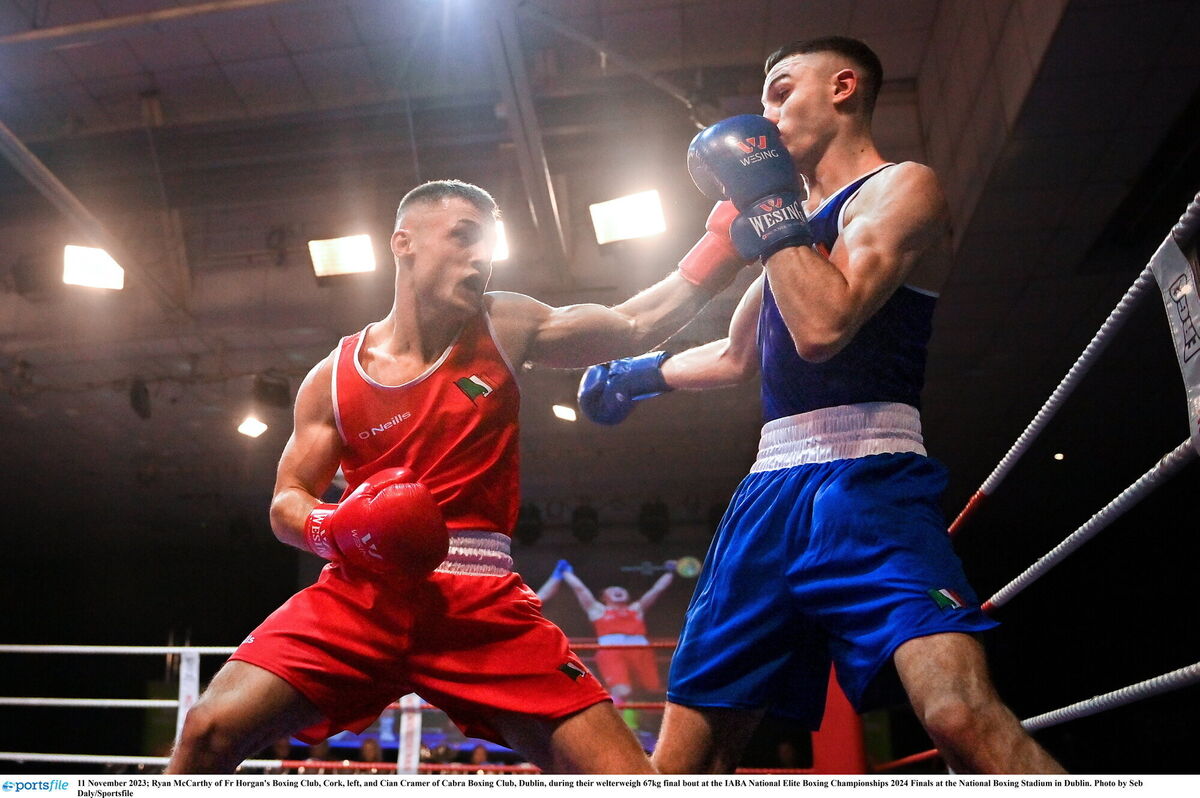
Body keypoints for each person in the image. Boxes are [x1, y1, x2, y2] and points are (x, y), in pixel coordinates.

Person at [578, 37, 1065, 774]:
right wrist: (636, 376)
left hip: (871, 484)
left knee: (961, 716)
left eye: (780, 91)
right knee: (679, 765)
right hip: (770, 493)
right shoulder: (797, 240)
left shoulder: (901, 188)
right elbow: (740, 354)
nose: (766, 117)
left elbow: (823, 326)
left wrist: (769, 205)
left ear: (842, 88)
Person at [166, 178, 740, 775]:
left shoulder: (505, 324)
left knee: (627, 782)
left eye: (488, 246)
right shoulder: (331, 378)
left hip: (480, 601)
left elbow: (632, 324)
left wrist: (724, 241)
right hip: (363, 592)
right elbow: (287, 501)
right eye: (464, 237)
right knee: (206, 733)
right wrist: (336, 527)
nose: (481, 257)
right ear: (403, 243)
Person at [539, 560, 674, 705]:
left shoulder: (636, 609)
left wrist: (671, 572)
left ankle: (622, 717)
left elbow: (657, 589)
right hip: (608, 655)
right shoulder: (599, 611)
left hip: (640, 651)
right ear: (604, 597)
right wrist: (565, 573)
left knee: (652, 689)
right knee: (613, 689)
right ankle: (605, 710)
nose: (617, 590)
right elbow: (580, 590)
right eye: (611, 589)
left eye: (621, 589)